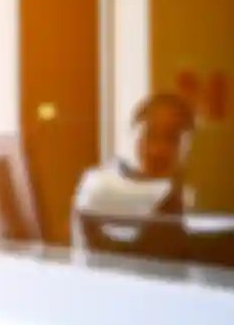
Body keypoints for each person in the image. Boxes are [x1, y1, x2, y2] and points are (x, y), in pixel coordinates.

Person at [73, 92, 195, 227]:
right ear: (132, 132)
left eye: (171, 138)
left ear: (188, 145)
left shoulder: (190, 198)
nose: (158, 150)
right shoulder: (100, 186)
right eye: (150, 135)